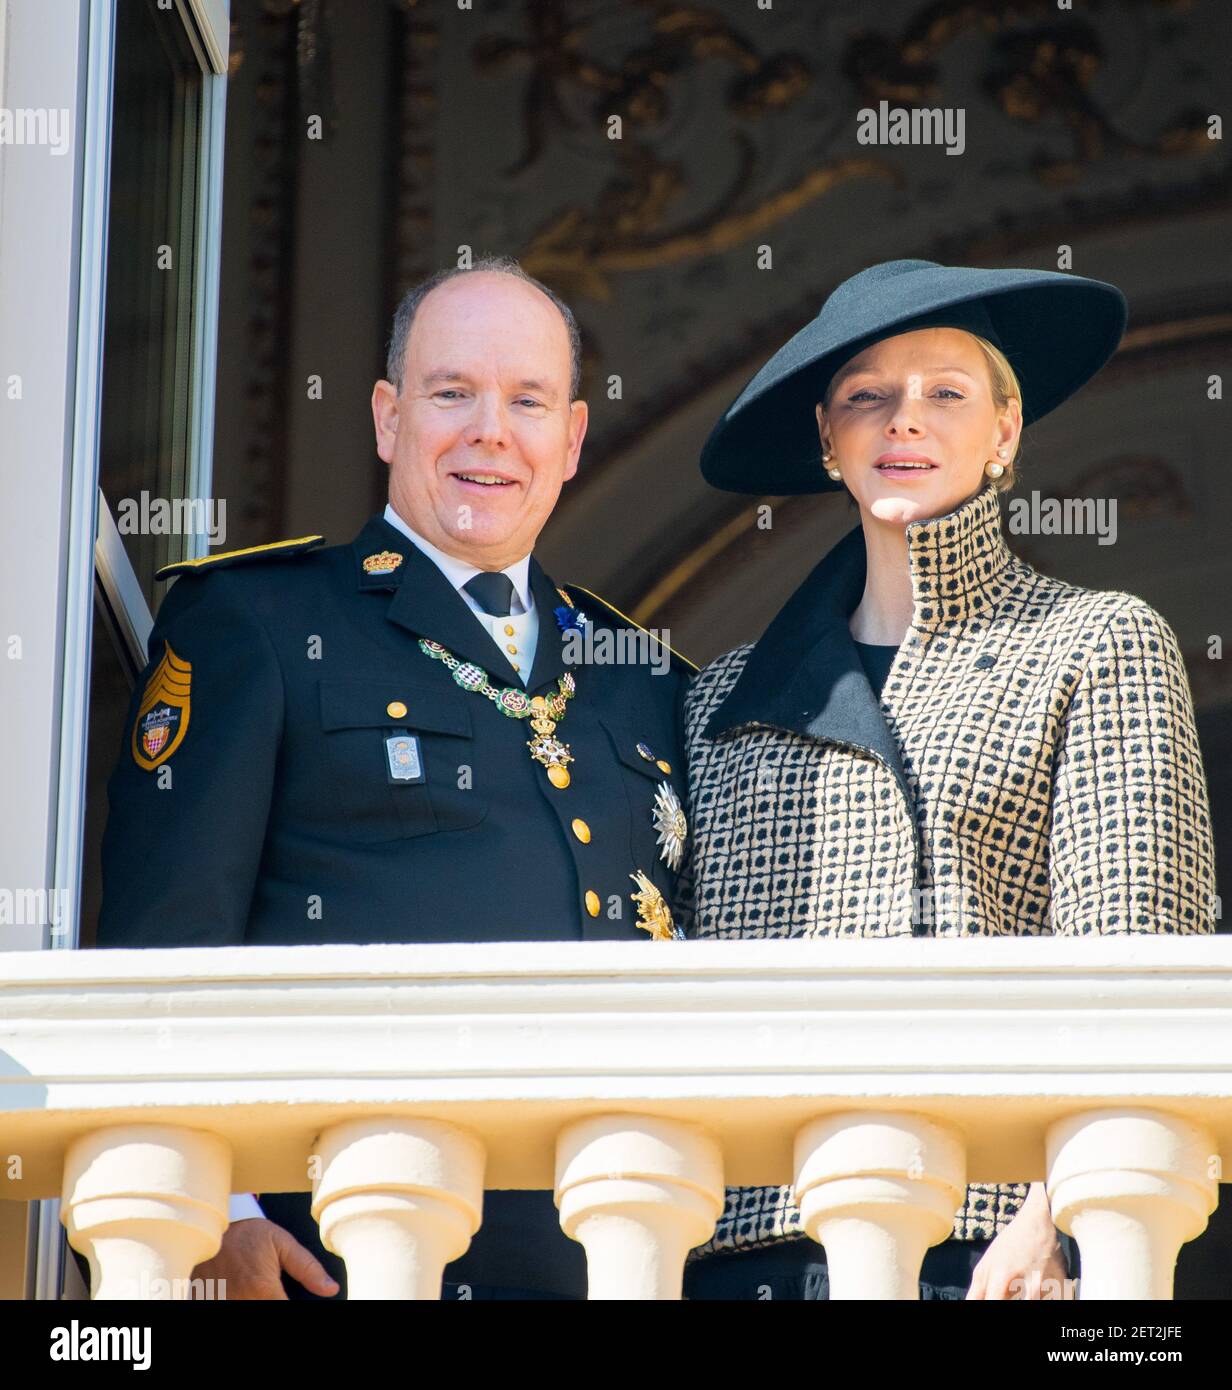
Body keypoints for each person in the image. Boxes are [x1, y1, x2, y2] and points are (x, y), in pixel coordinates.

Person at [91, 256, 696, 1301]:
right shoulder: (261, 623)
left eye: (526, 401)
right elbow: (164, 937)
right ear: (386, 417)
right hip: (339, 1252)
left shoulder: (644, 677)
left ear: (570, 439)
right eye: (451, 392)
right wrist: (217, 1210)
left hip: (610, 1260)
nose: (489, 431)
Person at [678, 258, 1218, 1300]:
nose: (903, 421)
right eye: (866, 397)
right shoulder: (721, 699)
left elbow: (1135, 964)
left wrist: (1048, 1215)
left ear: (1003, 432)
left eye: (945, 393)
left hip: (977, 1245)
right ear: (827, 439)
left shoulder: (1092, 644)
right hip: (746, 1246)